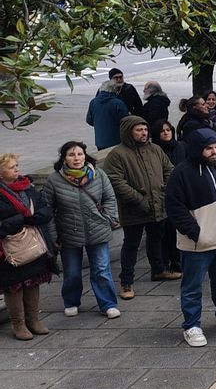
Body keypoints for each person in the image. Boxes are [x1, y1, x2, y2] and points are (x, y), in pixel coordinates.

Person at [165, 128, 216, 346]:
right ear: (196, 149)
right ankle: (191, 325)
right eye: (208, 149)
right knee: (192, 286)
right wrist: (195, 232)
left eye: (215, 147)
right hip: (196, 243)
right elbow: (174, 208)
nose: (214, 152)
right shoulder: (181, 173)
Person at [42, 141, 121, 319]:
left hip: (98, 228)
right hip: (69, 232)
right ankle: (71, 301)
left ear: (85, 155)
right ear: (64, 158)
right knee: (72, 272)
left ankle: (107, 303)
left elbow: (109, 197)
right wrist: (53, 235)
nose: (76, 158)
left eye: (79, 154)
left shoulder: (98, 174)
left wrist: (109, 217)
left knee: (101, 269)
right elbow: (48, 210)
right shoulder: (54, 180)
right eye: (71, 155)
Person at [104, 116, 177, 299]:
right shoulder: (117, 154)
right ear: (128, 131)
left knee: (156, 240)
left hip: (158, 205)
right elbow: (115, 181)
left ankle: (158, 269)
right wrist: (138, 198)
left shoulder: (155, 149)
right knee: (131, 245)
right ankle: (126, 282)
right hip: (134, 209)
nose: (143, 133)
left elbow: (169, 169)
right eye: (138, 130)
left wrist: (164, 191)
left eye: (145, 129)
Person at [0, 153, 54, 340]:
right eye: (11, 167)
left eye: (17, 165)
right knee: (14, 287)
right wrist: (20, 220)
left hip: (33, 244)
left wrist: (38, 216)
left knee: (33, 281)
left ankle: (33, 319)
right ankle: (19, 324)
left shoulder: (27, 187)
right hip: (9, 250)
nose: (16, 169)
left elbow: (44, 207)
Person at [86, 80, 130, 150]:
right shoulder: (118, 103)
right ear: (115, 90)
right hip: (116, 140)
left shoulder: (93, 102)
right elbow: (126, 121)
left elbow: (89, 120)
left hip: (100, 141)